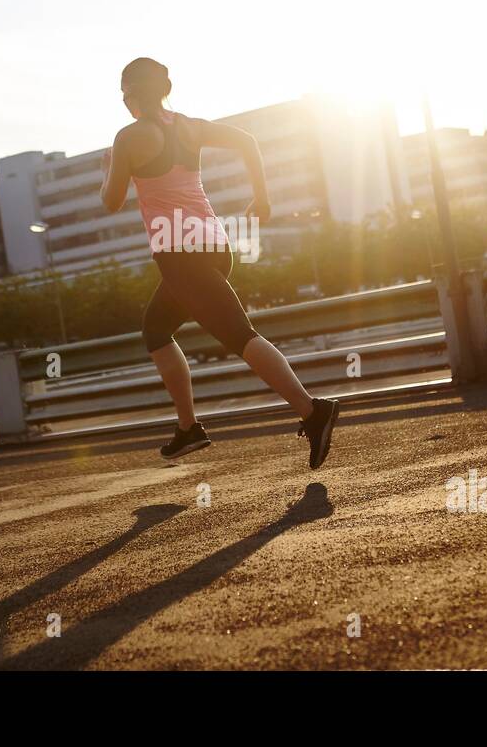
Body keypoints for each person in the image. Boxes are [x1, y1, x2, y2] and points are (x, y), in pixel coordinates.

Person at [100, 57, 339, 468]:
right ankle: (188, 428)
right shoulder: (190, 126)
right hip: (213, 244)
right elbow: (247, 140)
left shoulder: (129, 137)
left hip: (179, 253)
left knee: (239, 335)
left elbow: (111, 200)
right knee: (156, 330)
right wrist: (261, 196)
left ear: (131, 95)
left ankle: (312, 410)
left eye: (124, 95)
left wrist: (110, 167)